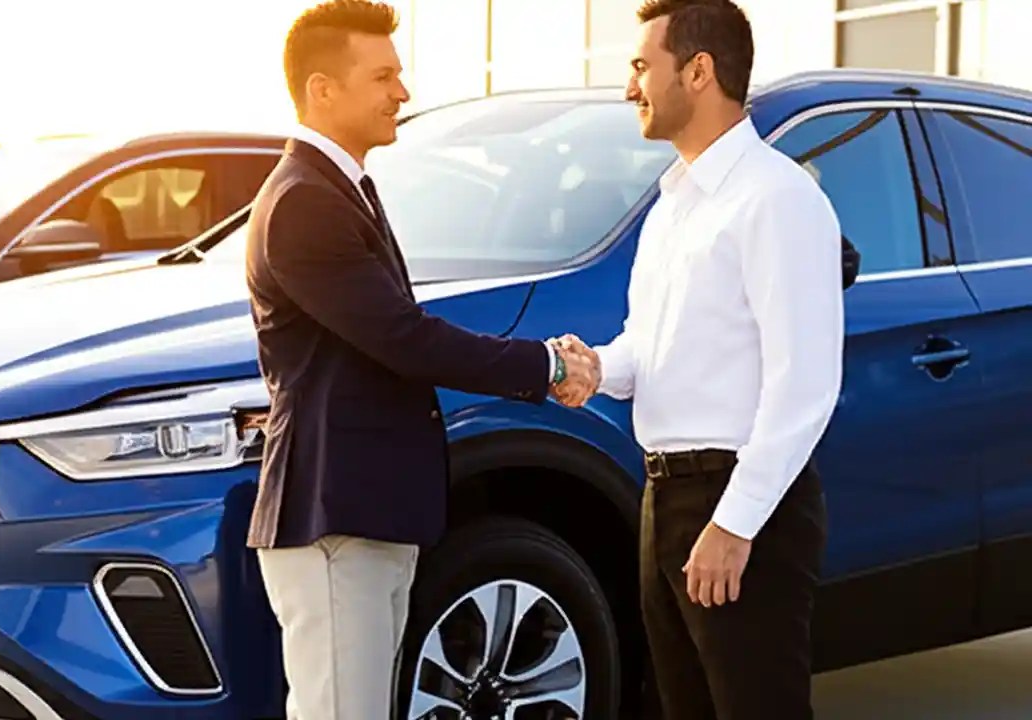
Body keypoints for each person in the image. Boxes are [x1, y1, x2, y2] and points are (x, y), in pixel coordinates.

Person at [242, 2, 599, 718]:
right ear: (322, 90)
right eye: (383, 76)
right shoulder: (305, 202)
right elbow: (403, 339)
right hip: (335, 517)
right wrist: (545, 367)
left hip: (365, 513)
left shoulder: (339, 192)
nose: (401, 92)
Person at [556, 1, 843, 718]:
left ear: (699, 70)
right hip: (665, 500)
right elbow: (653, 346)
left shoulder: (776, 199)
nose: (630, 89)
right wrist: (599, 369)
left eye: (640, 67)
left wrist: (736, 524)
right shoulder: (671, 209)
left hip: (744, 507)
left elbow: (804, 385)